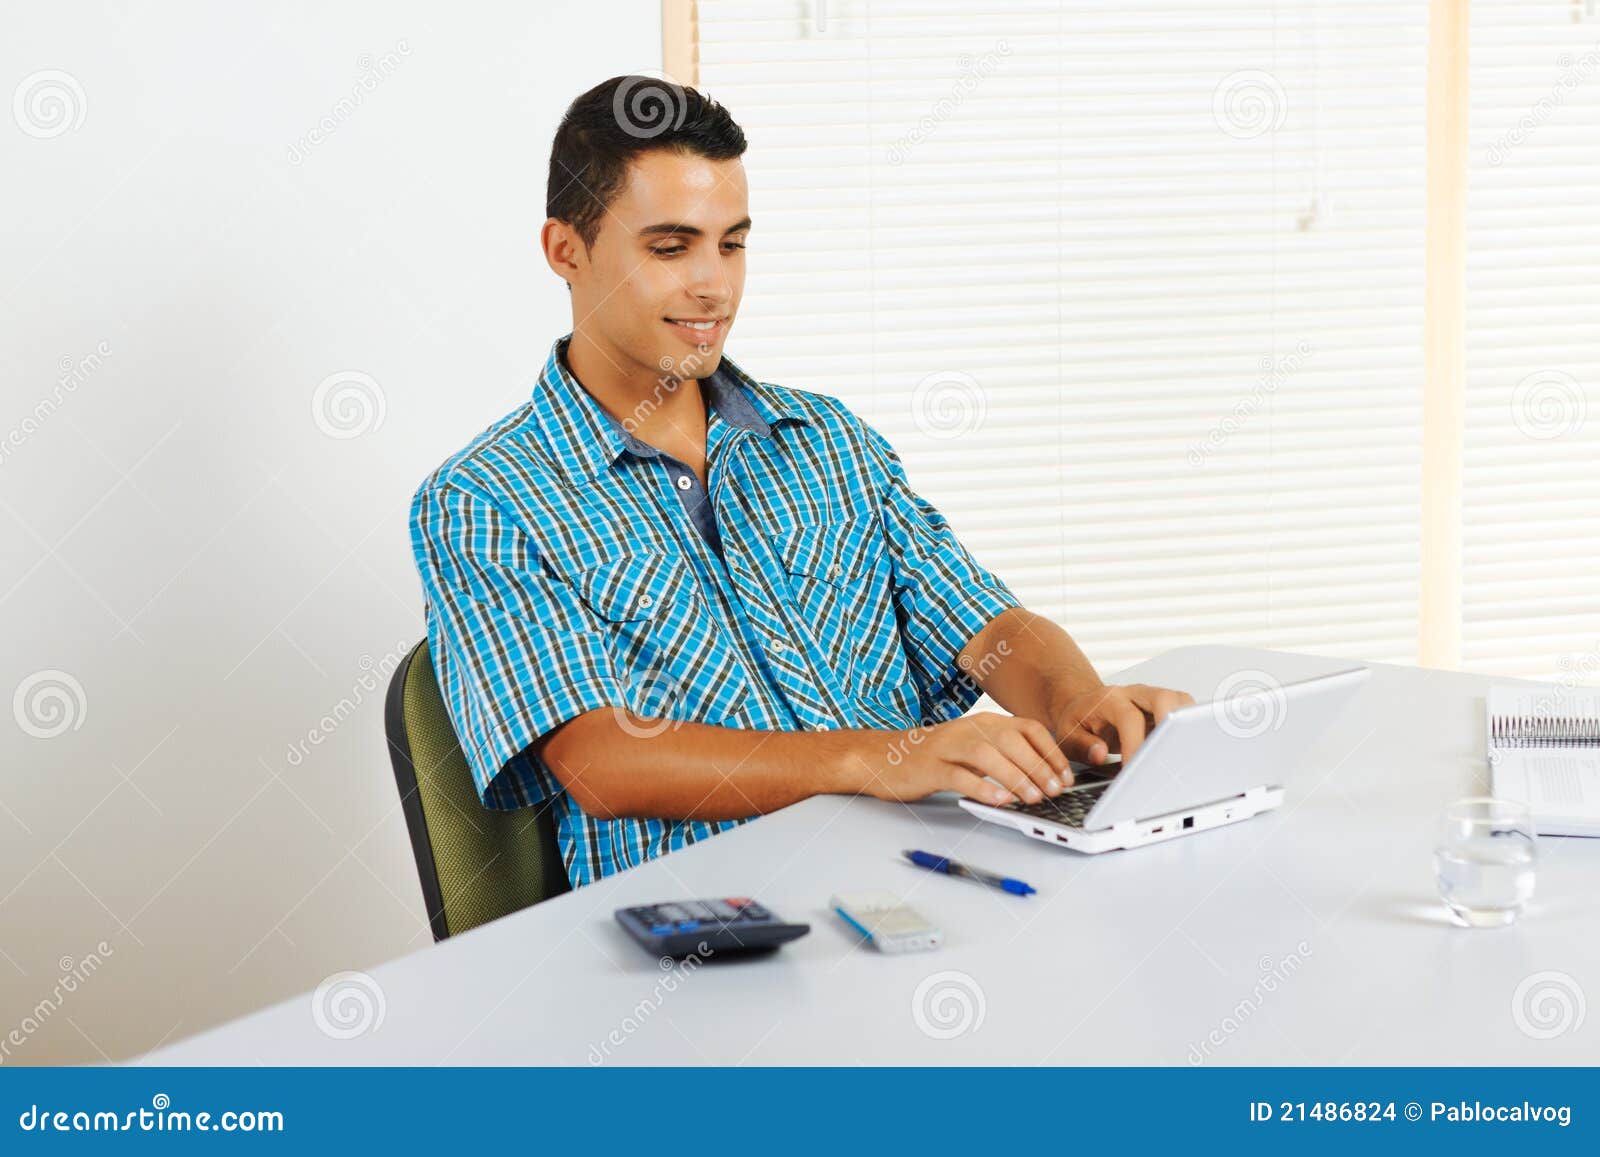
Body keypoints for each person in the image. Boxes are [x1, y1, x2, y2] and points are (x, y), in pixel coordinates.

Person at [409, 75, 1194, 887]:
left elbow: (987, 626)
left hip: (926, 878)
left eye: (732, 242)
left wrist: (1077, 705)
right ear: (565, 251)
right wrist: (882, 757)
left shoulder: (829, 442)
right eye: (671, 248)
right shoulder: (484, 501)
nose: (713, 284)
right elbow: (599, 759)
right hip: (718, 934)